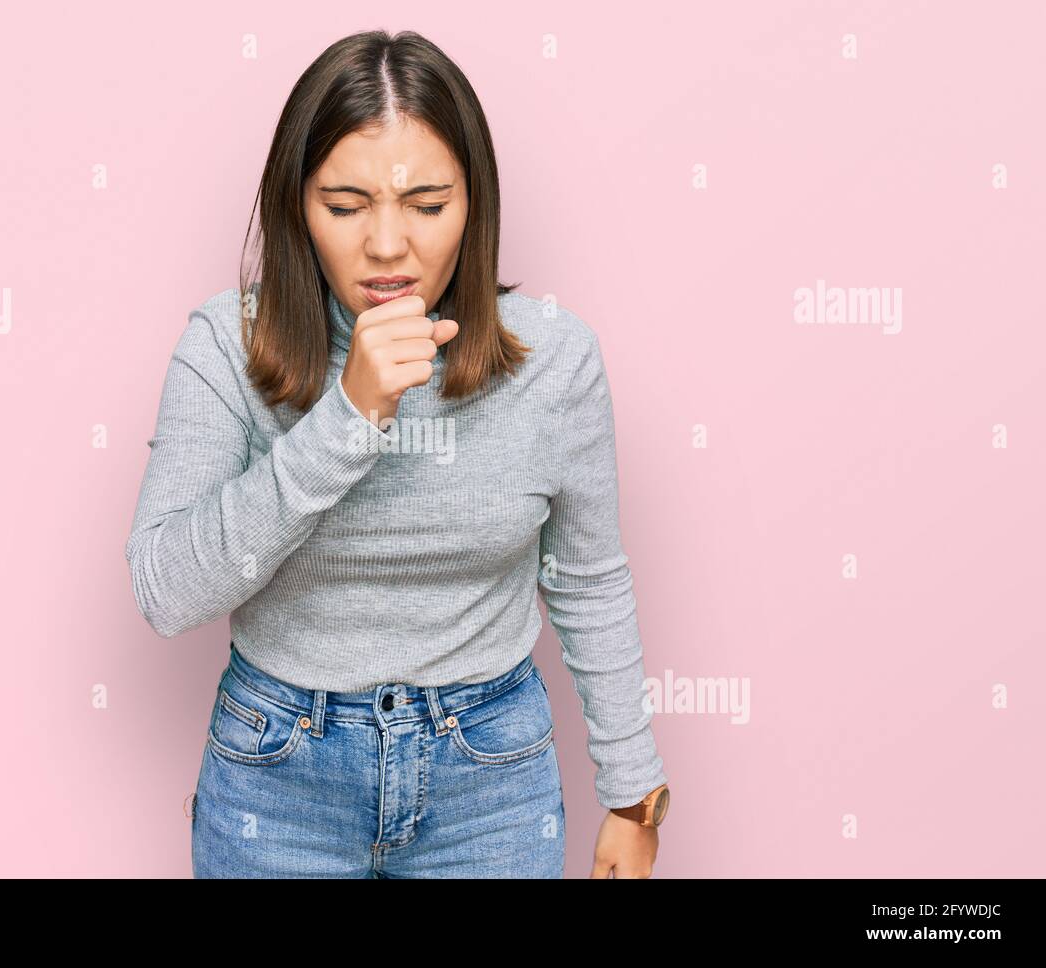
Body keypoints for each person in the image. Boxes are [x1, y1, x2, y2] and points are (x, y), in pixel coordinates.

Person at [125, 29, 669, 879]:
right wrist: (350, 415)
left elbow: (589, 579)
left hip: (491, 776)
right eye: (344, 207)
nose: (387, 246)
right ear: (294, 207)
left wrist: (634, 794)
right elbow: (164, 590)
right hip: (277, 770)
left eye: (427, 206)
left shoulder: (557, 358)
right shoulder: (224, 348)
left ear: (475, 206)